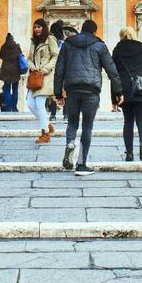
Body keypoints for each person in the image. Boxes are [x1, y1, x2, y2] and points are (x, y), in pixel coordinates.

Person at [54, 19, 122, 176]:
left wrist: (58, 93)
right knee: (87, 126)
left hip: (72, 89)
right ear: (94, 32)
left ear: (81, 30)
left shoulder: (67, 44)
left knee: (72, 123)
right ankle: (81, 164)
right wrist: (118, 92)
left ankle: (71, 143)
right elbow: (112, 70)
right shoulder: (99, 45)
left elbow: (59, 69)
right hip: (91, 90)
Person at [111, 27, 142, 161]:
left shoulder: (117, 50)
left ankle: (129, 153)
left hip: (125, 89)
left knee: (128, 122)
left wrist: (114, 97)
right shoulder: (141, 47)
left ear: (121, 35)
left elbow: (114, 75)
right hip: (141, 87)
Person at [26, 18, 59, 144]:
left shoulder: (50, 39)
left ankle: (45, 134)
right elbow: (29, 58)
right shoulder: (33, 42)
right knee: (30, 104)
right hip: (35, 76)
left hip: (46, 76)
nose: (36, 29)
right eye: (35, 27)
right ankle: (47, 124)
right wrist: (31, 65)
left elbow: (56, 55)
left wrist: (46, 68)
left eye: (39, 27)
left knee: (40, 104)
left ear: (44, 27)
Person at [47, 20, 69, 123]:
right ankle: (66, 115)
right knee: (65, 93)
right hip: (64, 70)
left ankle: (53, 115)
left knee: (53, 94)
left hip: (54, 71)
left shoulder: (50, 42)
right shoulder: (65, 43)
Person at [0, 33, 22, 112]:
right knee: (15, 90)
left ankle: (8, 107)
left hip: (6, 71)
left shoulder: (3, 47)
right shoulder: (17, 47)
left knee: (7, 90)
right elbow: (21, 55)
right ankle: (14, 107)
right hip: (15, 71)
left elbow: (1, 56)